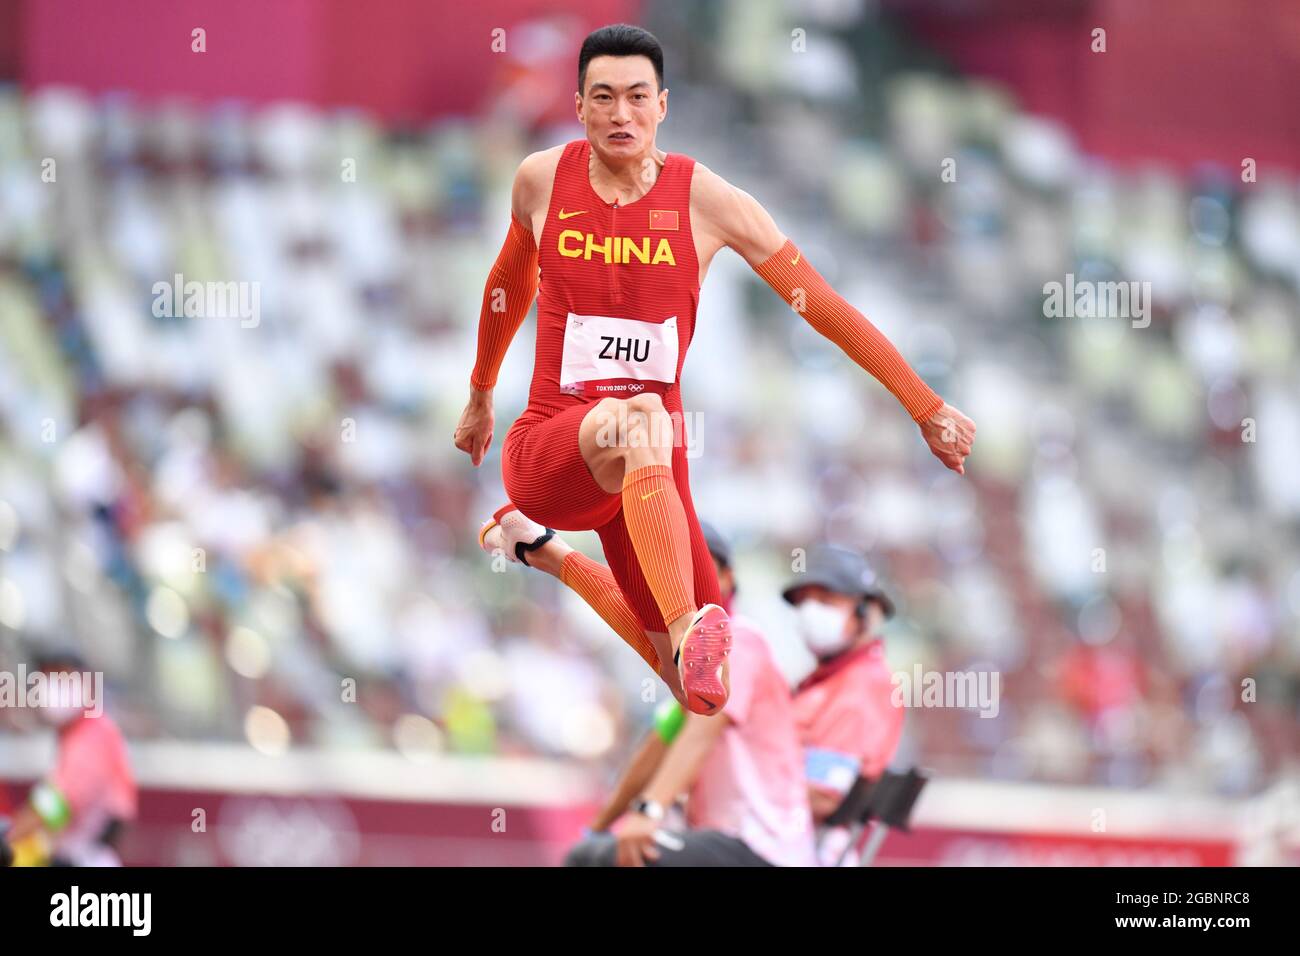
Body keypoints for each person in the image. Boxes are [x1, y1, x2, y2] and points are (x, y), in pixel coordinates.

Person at [454, 23, 976, 715]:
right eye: (602, 97)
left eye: (637, 97)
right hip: (550, 450)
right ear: (578, 106)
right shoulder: (541, 180)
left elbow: (819, 304)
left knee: (702, 693)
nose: (620, 115)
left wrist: (925, 406)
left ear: (663, 105)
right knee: (638, 417)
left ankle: (552, 555)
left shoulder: (710, 203)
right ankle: (684, 625)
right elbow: (509, 281)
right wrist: (481, 393)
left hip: (649, 477)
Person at [553, 521, 815, 866]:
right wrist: (598, 827)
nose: (684, 583)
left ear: (727, 579)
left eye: (699, 569)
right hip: (721, 840)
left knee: (609, 857)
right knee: (589, 855)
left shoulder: (739, 641)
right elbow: (657, 747)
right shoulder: (688, 664)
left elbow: (702, 733)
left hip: (762, 848)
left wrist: (649, 811)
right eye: (673, 572)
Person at [783, 547, 904, 864]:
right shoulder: (831, 681)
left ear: (865, 612)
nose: (810, 611)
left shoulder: (862, 685)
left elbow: (823, 795)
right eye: (804, 601)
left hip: (801, 850)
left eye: (826, 600)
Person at [6, 651, 137, 867]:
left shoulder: (93, 734)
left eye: (63, 678)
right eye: (47, 678)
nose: (54, 687)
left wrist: (9, 837)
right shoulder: (73, 735)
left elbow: (56, 805)